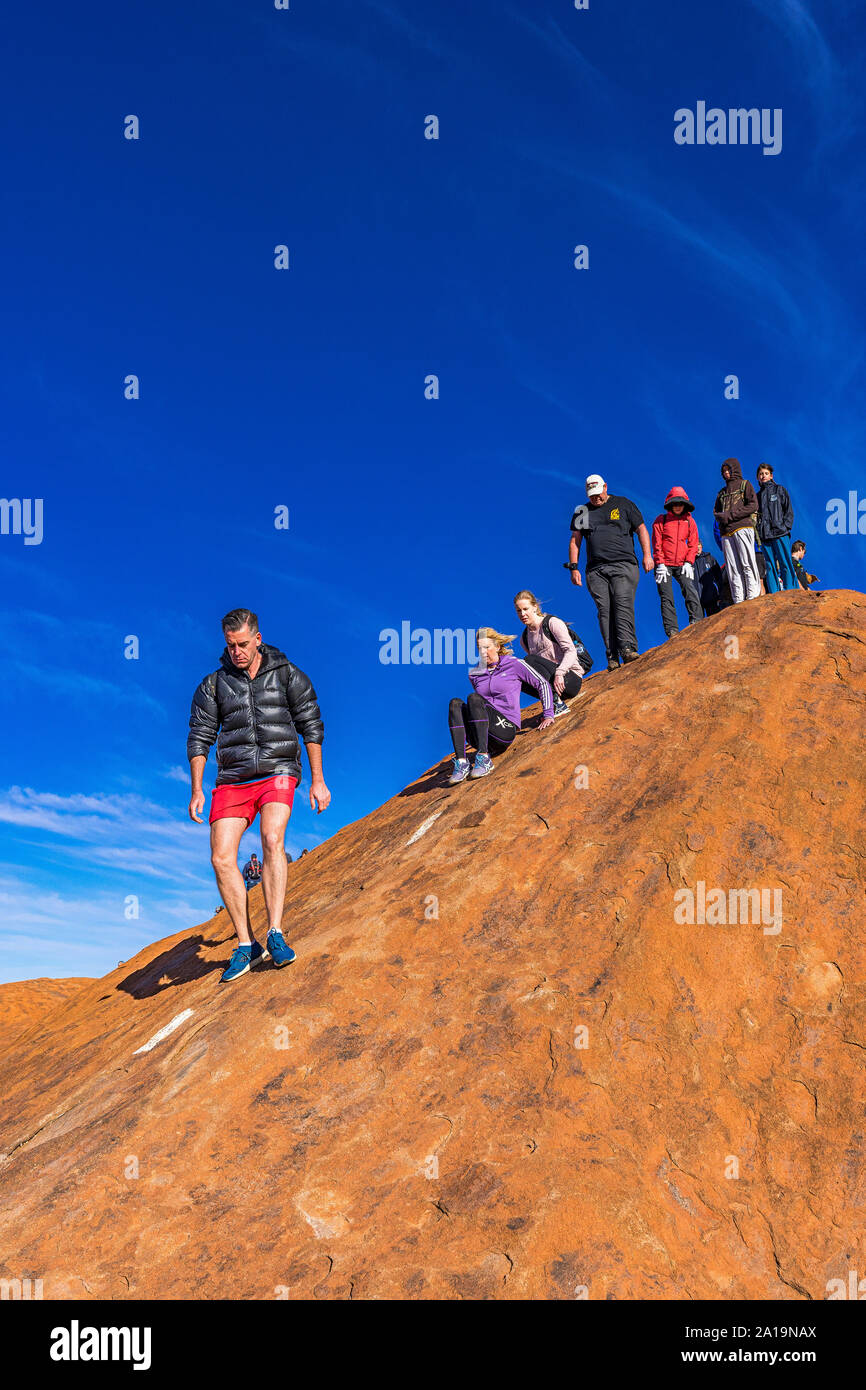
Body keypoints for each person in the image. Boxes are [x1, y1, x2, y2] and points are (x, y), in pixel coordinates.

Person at [187, 608, 330, 984]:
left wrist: (318, 780)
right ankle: (246, 943)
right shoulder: (213, 685)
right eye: (230, 645)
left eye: (243, 644)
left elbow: (310, 723)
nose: (236, 651)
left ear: (258, 639)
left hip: (278, 770)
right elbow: (200, 735)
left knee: (272, 838)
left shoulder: (288, 675)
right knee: (220, 857)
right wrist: (197, 789)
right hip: (233, 779)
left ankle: (276, 932)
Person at [566, 474, 654, 671]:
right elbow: (575, 540)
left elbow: (641, 529)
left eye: (598, 494)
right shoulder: (582, 511)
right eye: (591, 496)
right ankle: (612, 655)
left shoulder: (623, 504)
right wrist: (574, 567)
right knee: (604, 611)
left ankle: (627, 648)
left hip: (623, 564)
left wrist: (647, 555)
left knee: (622, 604)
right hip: (596, 570)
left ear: (605, 487)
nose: (595, 498)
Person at [447, 627, 554, 784]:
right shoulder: (475, 674)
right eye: (479, 649)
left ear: (497, 646)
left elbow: (542, 683)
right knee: (455, 703)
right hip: (481, 734)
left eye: (487, 647)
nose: (483, 652)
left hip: (504, 730)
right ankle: (462, 763)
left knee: (474, 698)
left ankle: (483, 758)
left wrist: (548, 713)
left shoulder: (514, 664)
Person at [513, 590, 585, 717]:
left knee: (529, 659)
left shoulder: (552, 623)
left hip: (569, 679)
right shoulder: (524, 638)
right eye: (519, 611)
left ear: (535, 607)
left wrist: (560, 673)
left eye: (526, 609)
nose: (522, 614)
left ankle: (557, 703)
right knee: (517, 671)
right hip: (552, 685)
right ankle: (552, 700)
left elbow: (571, 650)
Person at [650, 486, 702, 637]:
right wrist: (659, 563)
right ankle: (672, 630)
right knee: (666, 597)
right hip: (664, 565)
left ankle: (697, 621)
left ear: (685, 504)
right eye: (675, 503)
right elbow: (656, 543)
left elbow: (693, 543)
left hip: (682, 564)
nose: (678, 506)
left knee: (689, 589)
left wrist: (689, 562)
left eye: (680, 503)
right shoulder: (661, 520)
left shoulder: (689, 521)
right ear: (670, 504)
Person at [713, 458, 760, 603]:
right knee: (733, 567)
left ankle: (752, 594)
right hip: (727, 532)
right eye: (724, 471)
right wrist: (723, 519)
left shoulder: (745, 485)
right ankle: (738, 599)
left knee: (747, 562)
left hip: (743, 527)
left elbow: (753, 505)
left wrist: (731, 515)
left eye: (728, 470)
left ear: (735, 469)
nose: (726, 473)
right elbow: (716, 512)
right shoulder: (721, 493)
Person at [755, 463, 798, 592]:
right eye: (761, 474)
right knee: (769, 565)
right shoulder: (756, 497)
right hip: (765, 536)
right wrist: (759, 531)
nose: (763, 476)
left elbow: (788, 510)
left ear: (771, 476)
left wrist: (785, 527)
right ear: (758, 477)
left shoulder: (779, 490)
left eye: (766, 473)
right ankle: (774, 592)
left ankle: (791, 589)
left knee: (785, 561)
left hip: (780, 533)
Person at [693, 541, 728, 616]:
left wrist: (720, 594)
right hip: (696, 598)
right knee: (698, 624)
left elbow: (719, 577)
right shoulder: (688, 562)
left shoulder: (709, 558)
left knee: (715, 620)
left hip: (711, 597)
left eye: (698, 544)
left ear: (701, 546)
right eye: (694, 545)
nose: (697, 547)